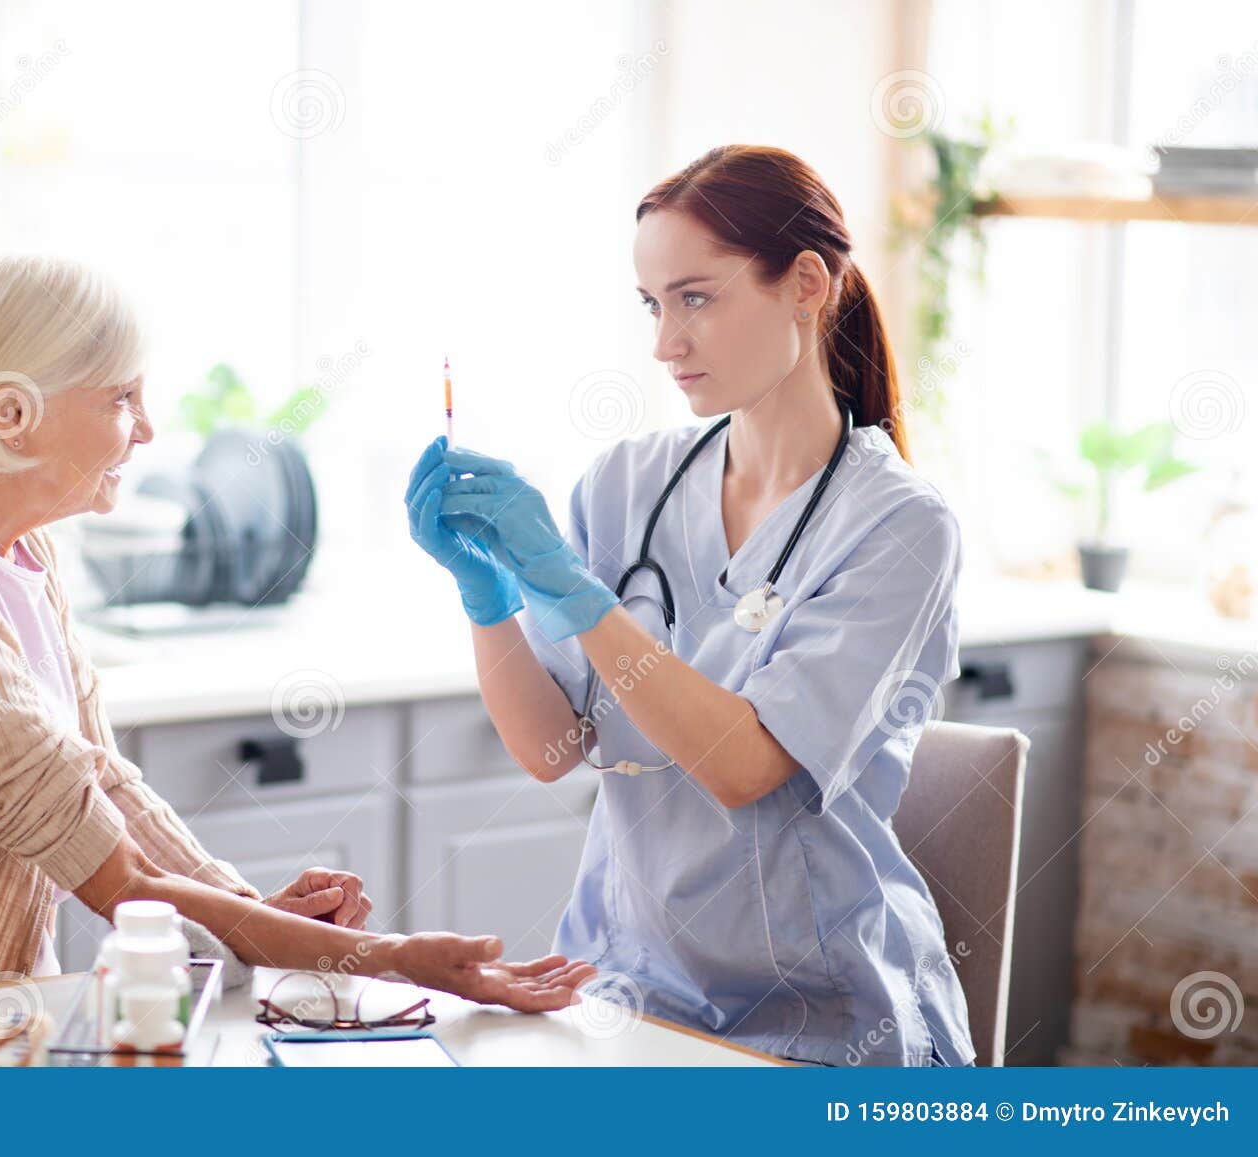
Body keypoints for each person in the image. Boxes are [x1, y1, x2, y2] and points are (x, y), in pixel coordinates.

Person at [0, 254, 594, 1014]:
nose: (149, 429)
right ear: (11, 412)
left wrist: (257, 915)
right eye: (121, 398)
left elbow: (99, 789)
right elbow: (121, 883)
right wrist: (393, 961)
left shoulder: (6, 532)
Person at [406, 145, 974, 1065]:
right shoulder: (628, 482)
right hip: (623, 993)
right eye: (654, 305)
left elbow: (742, 764)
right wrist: (488, 597)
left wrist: (580, 595)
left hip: (816, 1020)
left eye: (697, 298)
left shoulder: (900, 525)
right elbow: (551, 749)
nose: (667, 342)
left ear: (805, 284)